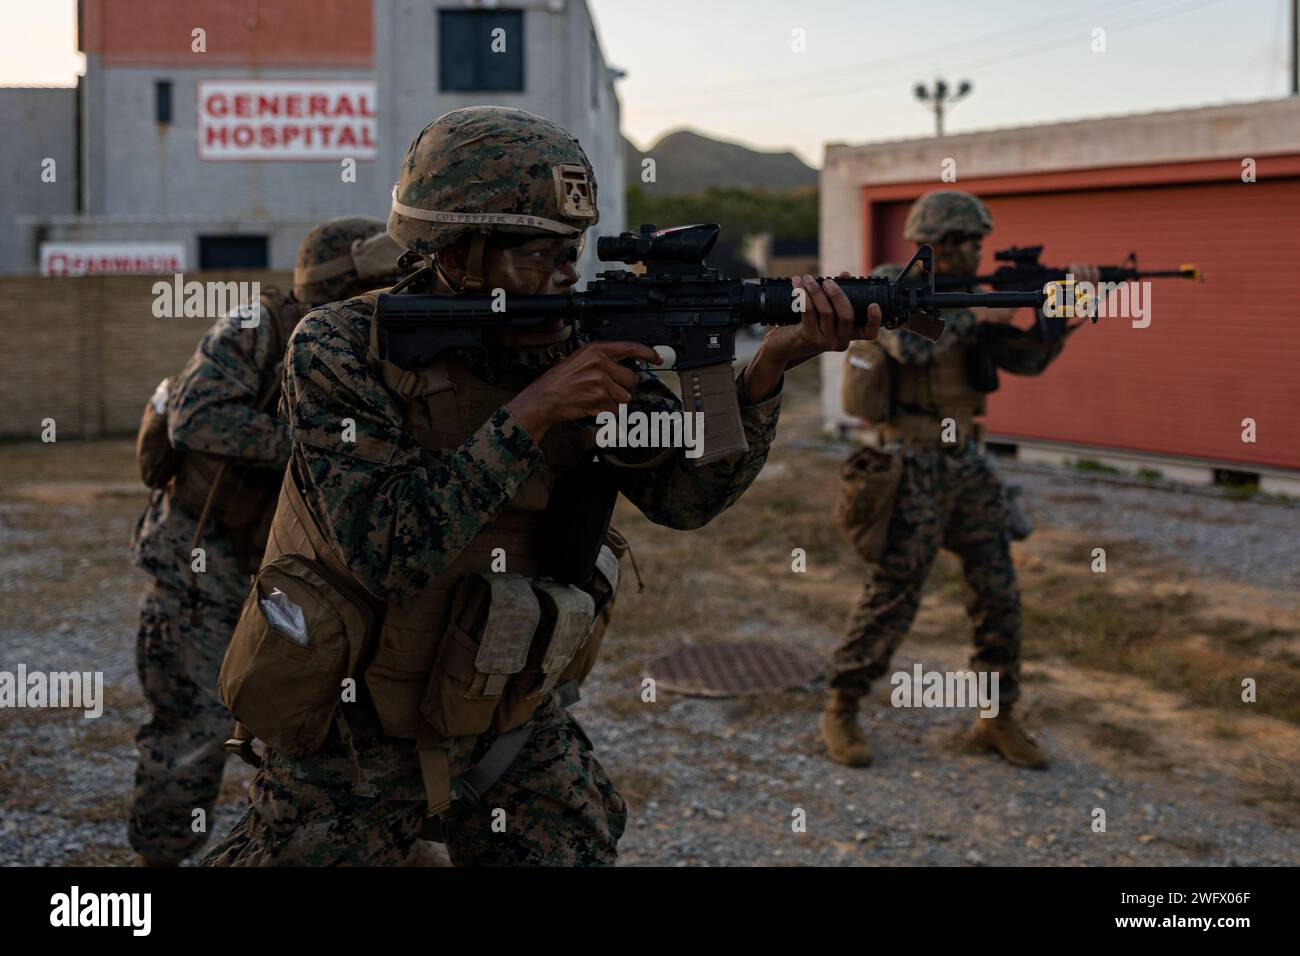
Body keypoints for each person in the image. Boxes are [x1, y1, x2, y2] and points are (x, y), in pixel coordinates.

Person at [204, 105, 881, 866]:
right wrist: (534, 412)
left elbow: (688, 498)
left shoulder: (579, 338)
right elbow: (388, 551)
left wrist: (761, 372)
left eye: (574, 252)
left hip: (501, 705)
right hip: (350, 722)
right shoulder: (341, 347)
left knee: (576, 844)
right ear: (452, 251)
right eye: (536, 254)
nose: (565, 274)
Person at [128, 217, 407, 864]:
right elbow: (197, 420)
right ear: (346, 281)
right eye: (381, 280)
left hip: (290, 577)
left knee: (302, 730)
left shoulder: (369, 344)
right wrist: (316, 454)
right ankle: (159, 860)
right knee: (192, 731)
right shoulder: (259, 327)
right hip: (202, 568)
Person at [823, 189, 1097, 770]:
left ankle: (996, 717)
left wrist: (1058, 319)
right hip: (912, 461)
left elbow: (1021, 360)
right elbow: (909, 347)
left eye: (979, 241)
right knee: (894, 593)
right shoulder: (893, 282)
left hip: (967, 463)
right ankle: (842, 705)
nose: (977, 251)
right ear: (938, 243)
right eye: (967, 241)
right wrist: (980, 313)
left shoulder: (978, 294)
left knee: (998, 593)